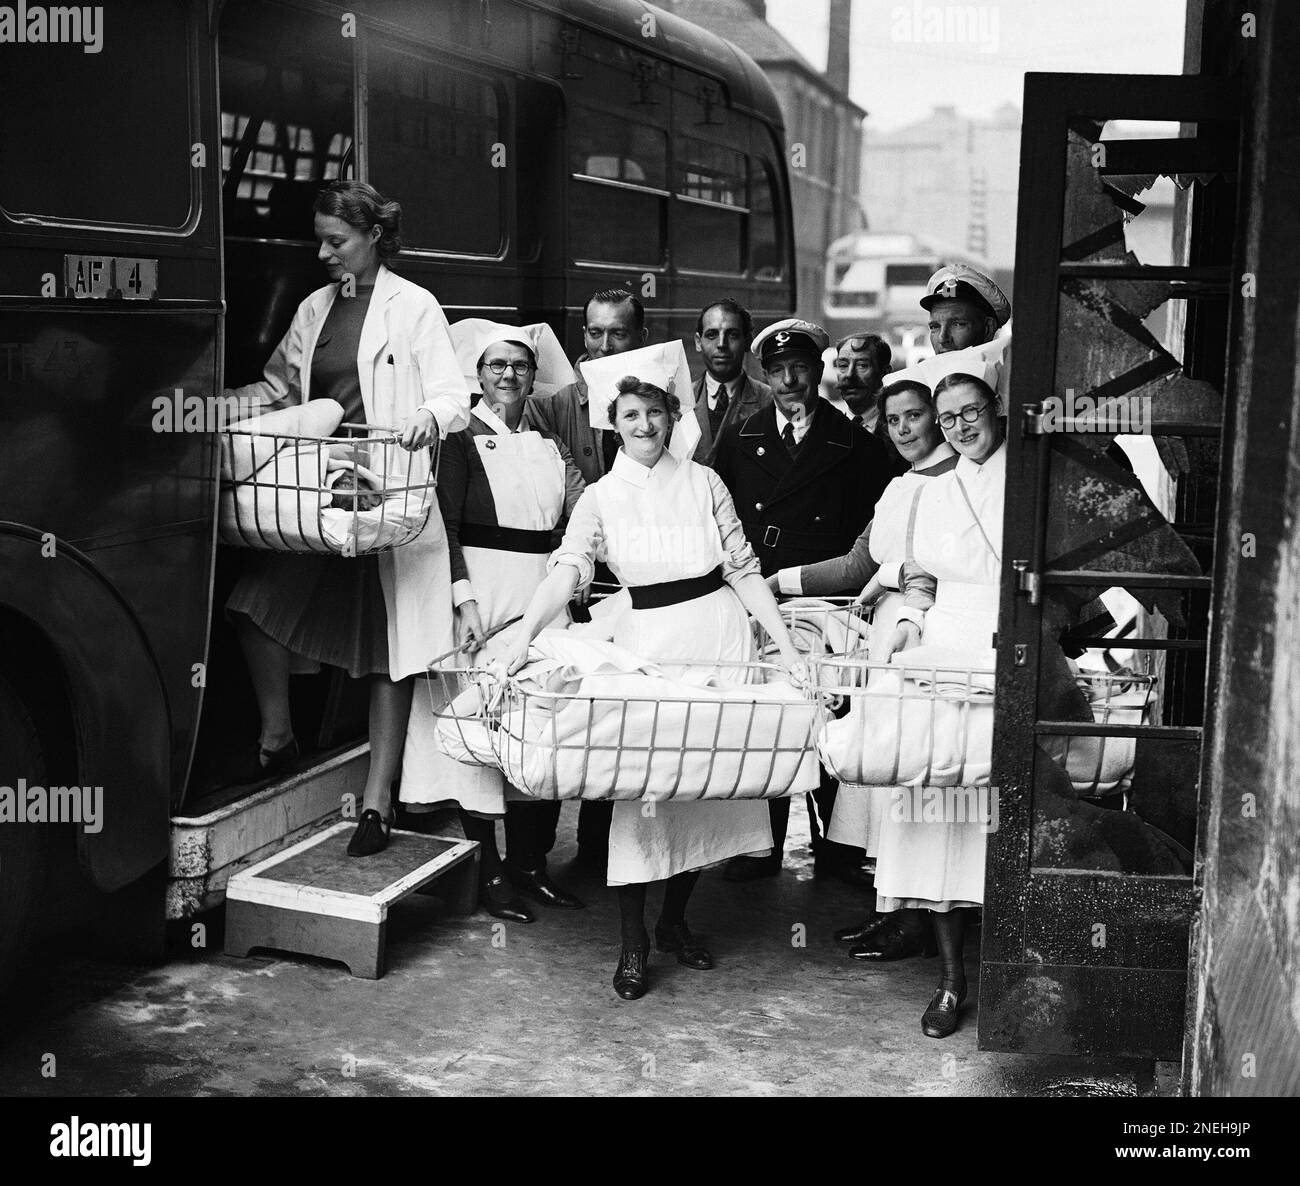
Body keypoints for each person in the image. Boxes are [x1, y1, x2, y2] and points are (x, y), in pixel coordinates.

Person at [495, 375, 807, 1000]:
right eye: (631, 415)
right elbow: (569, 568)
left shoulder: (704, 482)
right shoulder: (603, 497)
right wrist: (524, 634)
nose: (644, 425)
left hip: (717, 639)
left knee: (704, 787)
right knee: (642, 791)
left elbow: (744, 569)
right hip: (649, 647)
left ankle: (674, 922)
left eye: (655, 413)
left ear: (671, 417)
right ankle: (633, 940)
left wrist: (790, 648)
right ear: (615, 423)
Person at [223, 180, 470, 858]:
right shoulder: (314, 308)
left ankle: (377, 802)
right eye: (321, 241)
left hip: (385, 495)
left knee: (387, 655)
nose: (325, 253)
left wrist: (428, 416)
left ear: (374, 238)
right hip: (316, 496)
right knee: (252, 605)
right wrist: (210, 406)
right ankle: (279, 737)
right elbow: (277, 389)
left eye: (337, 241)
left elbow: (453, 393)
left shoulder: (413, 306)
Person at [400, 320, 586, 920]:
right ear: (477, 374)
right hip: (482, 592)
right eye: (496, 366)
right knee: (482, 732)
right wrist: (464, 600)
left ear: (535, 376)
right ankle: (488, 873)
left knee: (542, 727)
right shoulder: (457, 440)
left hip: (542, 598)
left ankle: (532, 866)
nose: (510, 376)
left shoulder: (549, 443)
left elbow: (573, 521)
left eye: (521, 366)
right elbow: (444, 526)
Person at [766, 379, 957, 944]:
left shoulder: (962, 481)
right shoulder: (901, 485)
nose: (903, 429)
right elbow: (855, 566)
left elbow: (941, 569)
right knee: (887, 772)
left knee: (917, 772)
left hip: (927, 633)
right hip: (888, 637)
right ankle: (897, 908)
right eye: (893, 420)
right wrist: (778, 581)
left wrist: (891, 582)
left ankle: (923, 915)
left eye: (915, 416)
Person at [713, 318, 894, 882]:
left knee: (829, 711)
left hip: (826, 599)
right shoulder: (740, 437)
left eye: (800, 368)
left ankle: (834, 844)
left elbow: (875, 526)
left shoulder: (856, 444)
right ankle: (759, 842)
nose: (790, 379)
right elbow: (716, 511)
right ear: (765, 376)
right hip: (756, 592)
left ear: (819, 372)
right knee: (765, 713)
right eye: (778, 370)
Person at [869, 371, 1006, 1038]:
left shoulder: (1027, 478)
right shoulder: (939, 488)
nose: (958, 427)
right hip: (941, 648)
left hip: (1003, 650)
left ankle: (1010, 974)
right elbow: (919, 578)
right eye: (947, 418)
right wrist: (907, 624)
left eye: (969, 412)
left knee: (993, 811)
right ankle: (951, 983)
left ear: (995, 409)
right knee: (932, 804)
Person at [528, 289, 649, 869]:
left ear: (637, 339)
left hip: (632, 589)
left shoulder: (657, 409)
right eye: (595, 333)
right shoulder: (552, 405)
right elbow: (558, 482)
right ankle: (536, 851)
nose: (604, 345)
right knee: (557, 712)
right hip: (572, 579)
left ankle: (599, 850)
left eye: (618, 334)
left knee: (616, 720)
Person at [690, 298, 771, 467]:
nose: (721, 344)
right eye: (712, 335)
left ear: (748, 341)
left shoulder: (769, 401)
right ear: (699, 342)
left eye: (732, 335)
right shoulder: (680, 401)